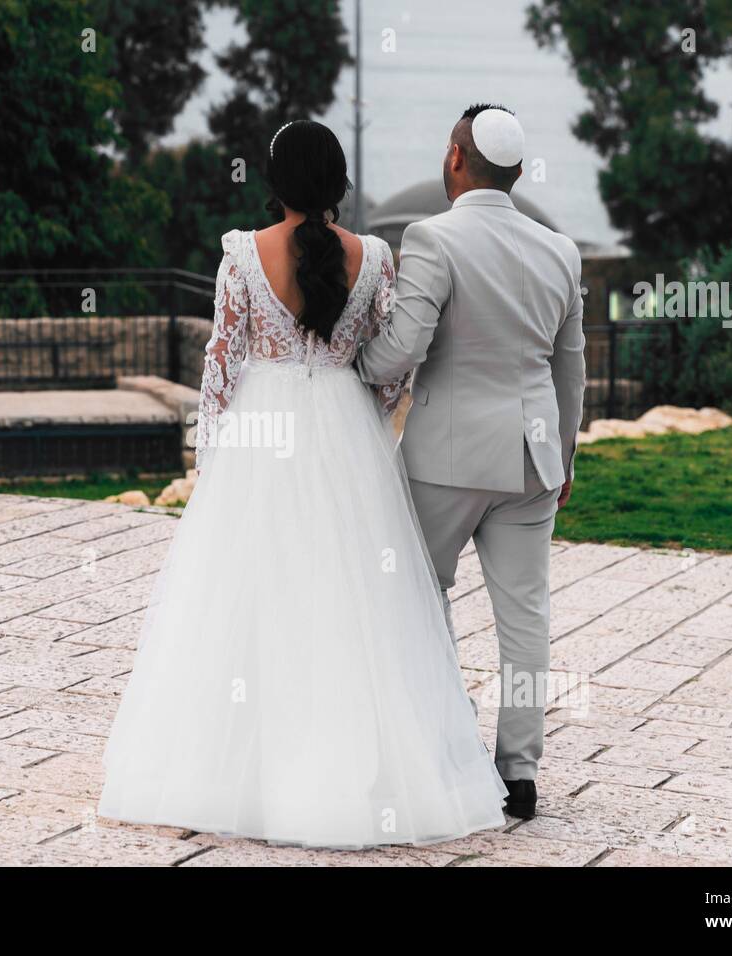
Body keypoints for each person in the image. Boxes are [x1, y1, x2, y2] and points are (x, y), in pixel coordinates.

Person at [98, 120, 507, 849]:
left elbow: (219, 372)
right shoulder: (376, 257)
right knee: (351, 602)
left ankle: (237, 773)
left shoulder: (240, 257)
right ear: (338, 183)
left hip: (264, 431)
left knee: (250, 599)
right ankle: (359, 770)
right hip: (344, 429)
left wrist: (212, 462)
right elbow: (393, 365)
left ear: (275, 182)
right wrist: (367, 423)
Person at [357, 104, 587, 820]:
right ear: (517, 173)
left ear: (457, 158)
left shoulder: (433, 236)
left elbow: (402, 350)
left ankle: (443, 750)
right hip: (532, 460)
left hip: (445, 460)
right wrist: (567, 455)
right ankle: (519, 773)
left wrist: (350, 364)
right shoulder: (562, 251)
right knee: (526, 620)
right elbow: (571, 372)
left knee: (423, 600)